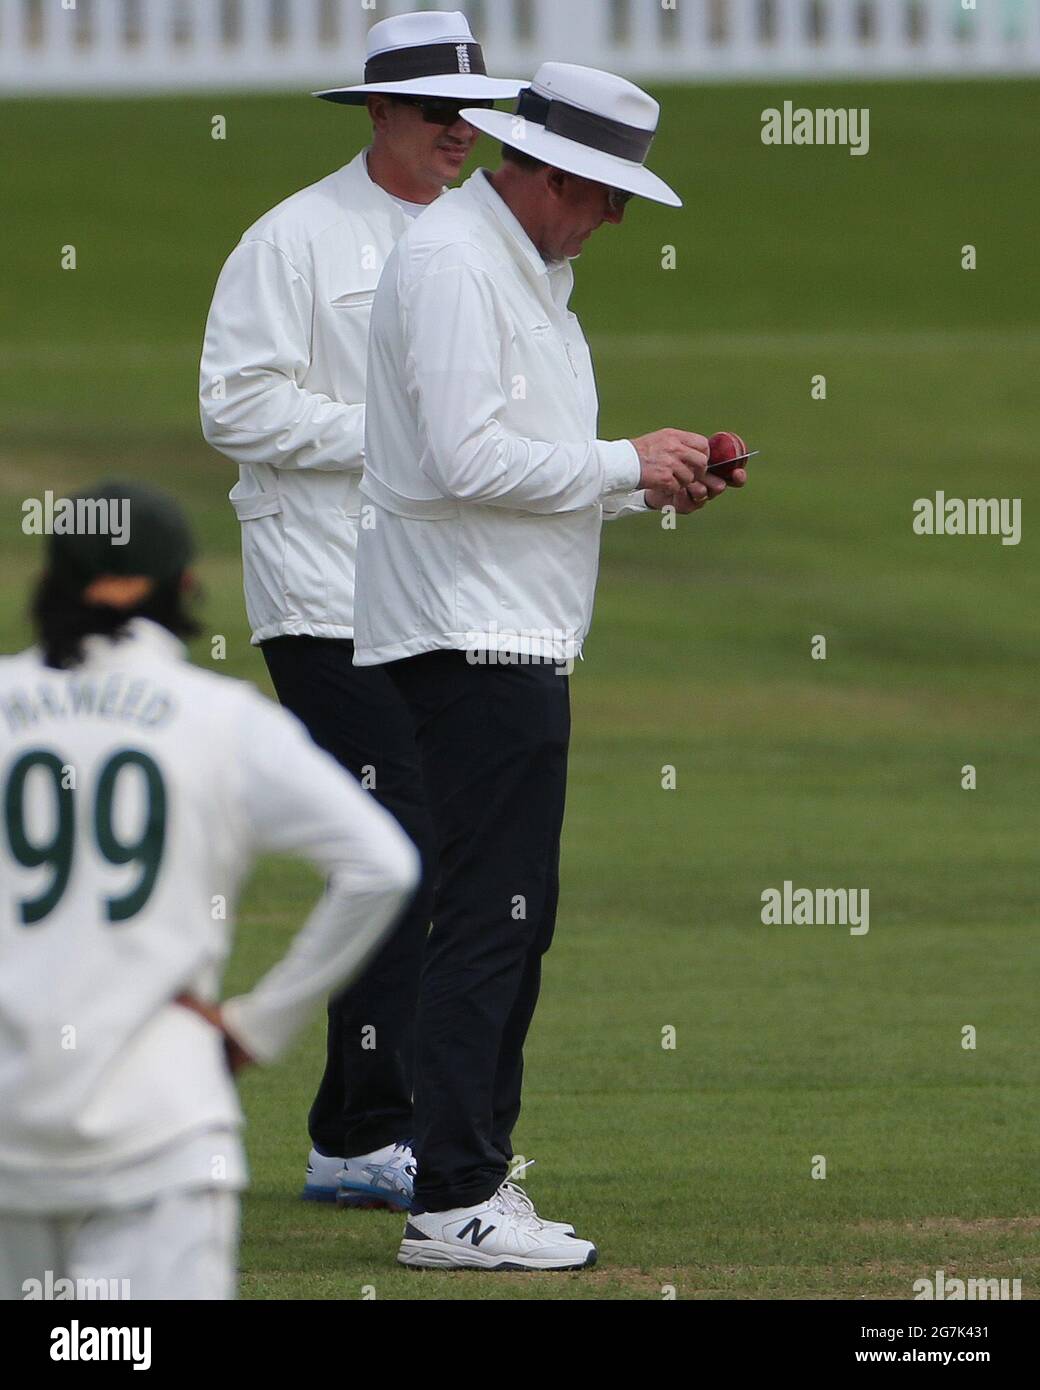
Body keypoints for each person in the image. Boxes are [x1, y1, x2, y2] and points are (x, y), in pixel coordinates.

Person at [353, 62, 748, 1270]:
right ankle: (454, 1198)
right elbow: (470, 461)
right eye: (607, 194)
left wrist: (650, 481)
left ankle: (467, 1180)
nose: (615, 219)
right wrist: (626, 461)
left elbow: (531, 473)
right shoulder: (457, 263)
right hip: (469, 634)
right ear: (554, 175)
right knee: (489, 918)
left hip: (506, 626)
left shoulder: (524, 270)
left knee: (510, 918)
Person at [198, 12, 523, 1210]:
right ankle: (360, 1133)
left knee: (452, 855)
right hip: (324, 592)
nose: (457, 131)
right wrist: (389, 440)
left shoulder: (497, 243)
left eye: (471, 110)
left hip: (450, 595)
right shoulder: (294, 238)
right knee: (404, 847)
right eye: (435, 109)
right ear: (377, 112)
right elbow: (232, 404)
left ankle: (375, 1130)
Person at [0, 482, 419, 1300]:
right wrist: (257, 1026)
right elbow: (384, 865)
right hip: (164, 1122)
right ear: (184, 588)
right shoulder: (222, 717)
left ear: (51, 577)